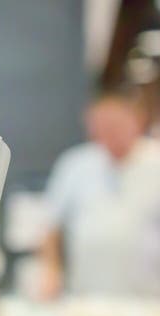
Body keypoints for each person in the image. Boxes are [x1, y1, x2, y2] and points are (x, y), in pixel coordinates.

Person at [39, 92, 160, 298]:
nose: (109, 132)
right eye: (101, 126)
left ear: (137, 120)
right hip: (87, 293)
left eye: (115, 125)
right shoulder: (75, 163)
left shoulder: (155, 159)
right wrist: (51, 270)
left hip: (149, 294)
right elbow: (51, 225)